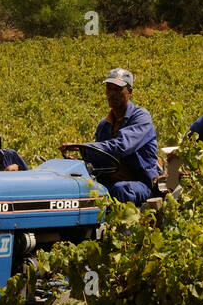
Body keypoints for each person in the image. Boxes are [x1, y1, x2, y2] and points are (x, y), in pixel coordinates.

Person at [61, 68, 160, 204]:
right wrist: (78, 161)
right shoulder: (104, 125)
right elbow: (100, 157)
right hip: (110, 182)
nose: (111, 94)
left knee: (121, 189)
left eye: (117, 89)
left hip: (140, 184)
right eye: (109, 89)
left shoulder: (141, 117)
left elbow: (122, 146)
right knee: (78, 188)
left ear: (129, 91)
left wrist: (82, 147)